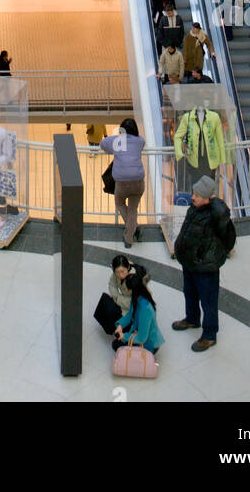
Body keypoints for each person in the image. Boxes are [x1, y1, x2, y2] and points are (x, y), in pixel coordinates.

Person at [172, 175, 236, 351]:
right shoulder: (194, 208)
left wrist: (215, 201)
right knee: (190, 293)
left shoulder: (216, 215)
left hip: (205, 266)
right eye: (194, 193)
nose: (193, 197)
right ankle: (192, 319)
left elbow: (227, 229)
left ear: (208, 199)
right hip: (190, 262)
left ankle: (209, 335)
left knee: (208, 301)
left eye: (198, 195)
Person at [100, 118, 146, 248]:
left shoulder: (117, 141)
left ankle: (132, 232)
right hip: (138, 181)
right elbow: (139, 145)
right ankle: (129, 237)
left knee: (119, 203)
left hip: (122, 182)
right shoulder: (140, 141)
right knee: (133, 209)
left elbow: (103, 143)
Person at [112, 271, 164, 356]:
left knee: (116, 345)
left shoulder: (145, 309)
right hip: (139, 332)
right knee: (117, 339)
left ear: (132, 290)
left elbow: (141, 338)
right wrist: (120, 325)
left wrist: (124, 336)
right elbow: (130, 315)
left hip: (148, 344)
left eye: (127, 288)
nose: (126, 290)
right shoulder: (138, 297)